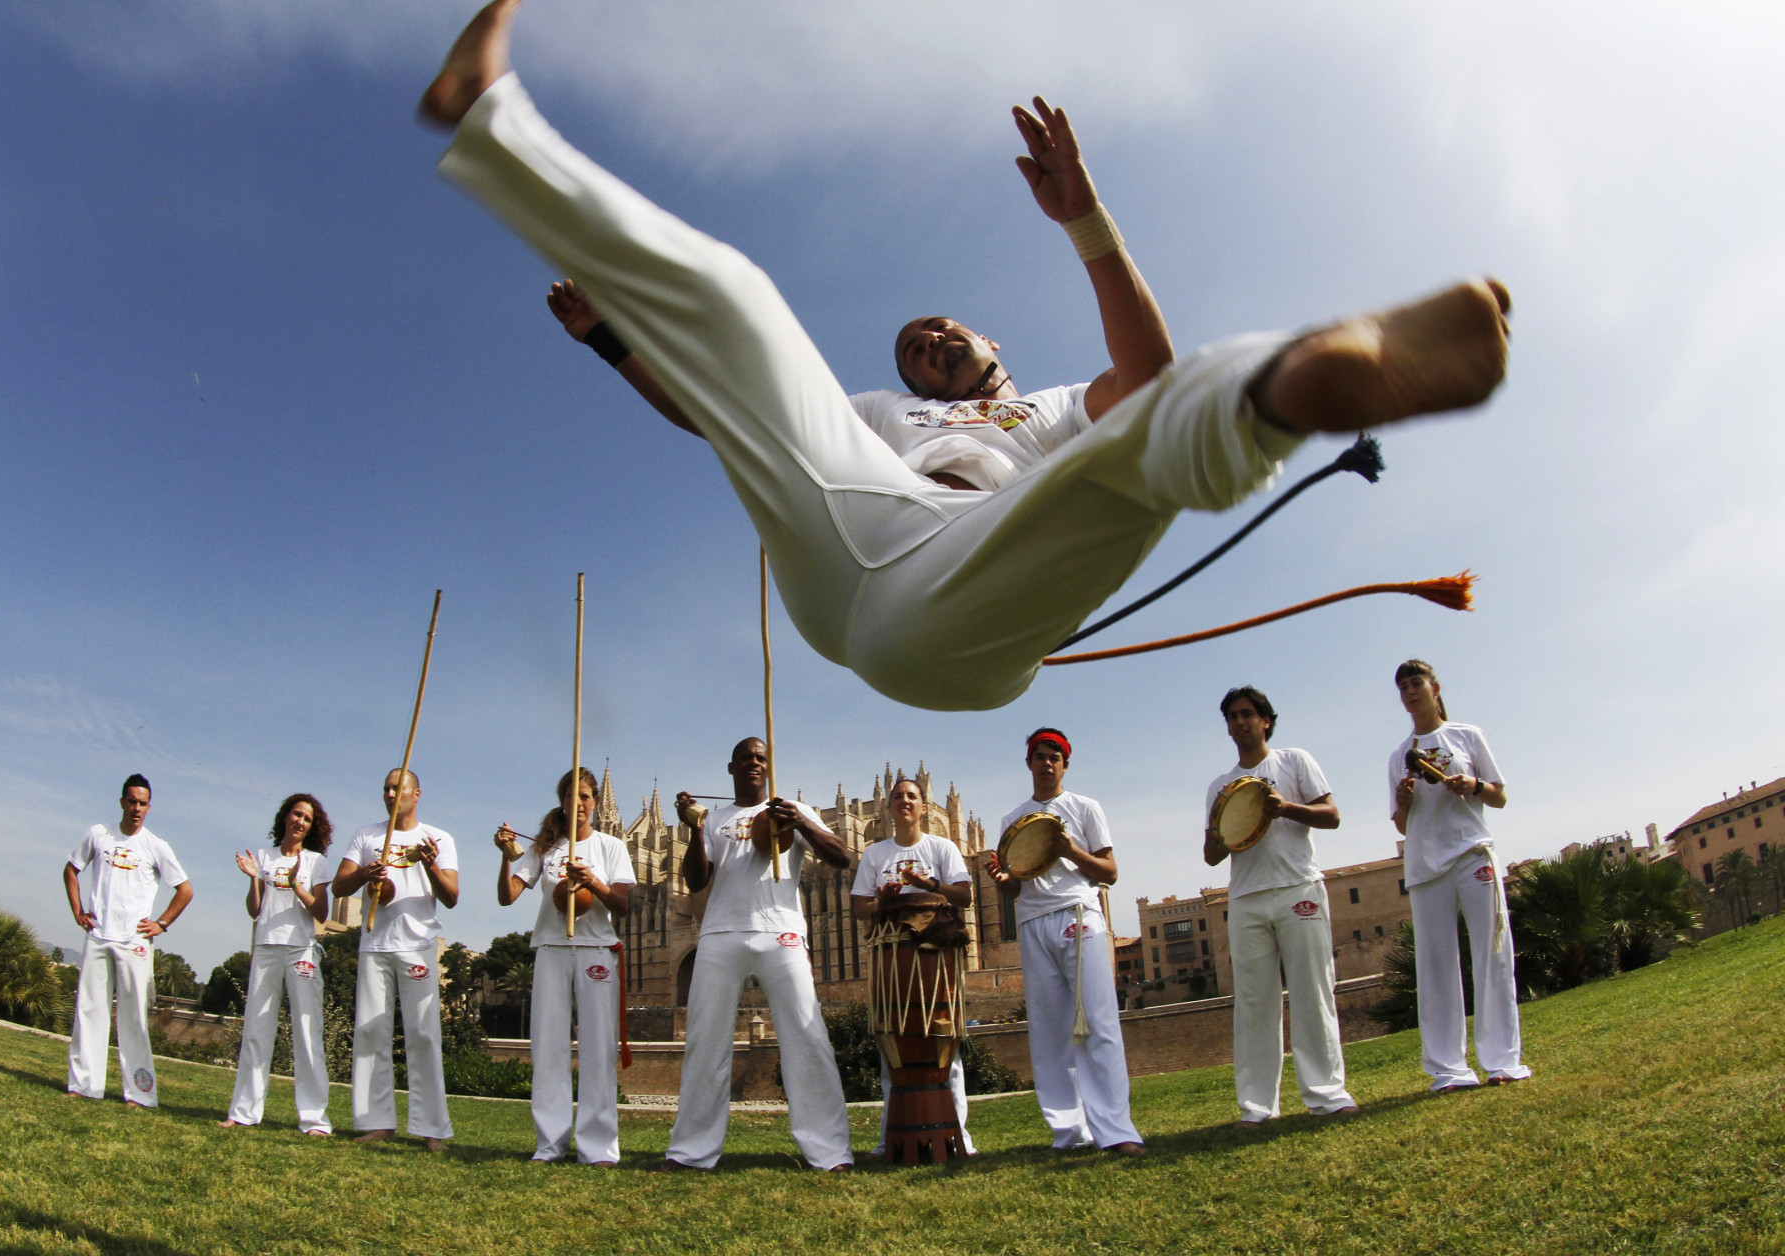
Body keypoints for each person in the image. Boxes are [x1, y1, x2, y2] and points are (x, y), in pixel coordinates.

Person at [419, 0, 1512, 712]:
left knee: (1141, 440)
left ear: (992, 343)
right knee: (743, 302)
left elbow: (1143, 373)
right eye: (912, 347)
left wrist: (1089, 226)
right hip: (856, 526)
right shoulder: (877, 413)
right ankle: (488, 117)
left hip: (964, 604)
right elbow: (716, 412)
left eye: (944, 333)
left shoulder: (1045, 409)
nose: (926, 344)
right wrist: (611, 340)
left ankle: (1284, 390)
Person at [662, 738, 854, 1171]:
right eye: (746, 757)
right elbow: (694, 881)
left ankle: (829, 1152)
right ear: (731, 768)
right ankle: (691, 1152)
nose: (754, 762)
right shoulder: (715, 819)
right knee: (705, 1045)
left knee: (808, 1037)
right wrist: (693, 828)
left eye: (761, 758)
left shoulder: (791, 811)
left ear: (769, 768)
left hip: (781, 933)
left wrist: (800, 823)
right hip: (718, 934)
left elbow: (842, 858)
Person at [1201, 687, 1356, 1128]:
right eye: (1232, 717)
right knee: (1253, 1002)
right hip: (1246, 898)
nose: (1239, 723)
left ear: (1267, 720)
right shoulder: (1220, 786)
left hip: (1298, 887)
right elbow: (1212, 855)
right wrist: (1216, 830)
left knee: (1312, 991)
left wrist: (1284, 807)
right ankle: (1257, 1106)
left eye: (1248, 714)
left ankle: (1327, 1094)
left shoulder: (1294, 761)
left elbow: (1332, 815)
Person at [985, 731, 1142, 1153]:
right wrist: (1004, 882)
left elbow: (1108, 872)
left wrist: (1071, 850)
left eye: (1054, 757)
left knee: (1098, 1022)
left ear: (1065, 765)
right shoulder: (1011, 820)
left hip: (1079, 915)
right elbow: (1017, 887)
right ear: (1029, 763)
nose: (1046, 763)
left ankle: (1117, 1130)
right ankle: (1068, 1132)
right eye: (1039, 756)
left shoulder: (1086, 808)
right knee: (1049, 1031)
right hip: (1033, 922)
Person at [1389, 659, 1530, 1091]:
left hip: (1472, 853)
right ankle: (1448, 1070)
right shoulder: (1399, 755)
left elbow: (1500, 796)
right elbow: (1400, 824)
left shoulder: (1467, 736)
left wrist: (1471, 785)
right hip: (1426, 867)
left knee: (1492, 954)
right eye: (1404, 687)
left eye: (1417, 683)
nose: (1411, 692)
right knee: (1435, 966)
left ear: (1434, 687)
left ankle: (1502, 1061)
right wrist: (1404, 798)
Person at [496, 769, 636, 1166]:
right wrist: (504, 857)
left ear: (595, 803)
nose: (578, 803)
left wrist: (593, 881)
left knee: (598, 1048)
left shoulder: (611, 846)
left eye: (586, 797)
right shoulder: (544, 848)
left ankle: (598, 1147)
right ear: (562, 801)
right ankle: (549, 1144)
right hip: (551, 949)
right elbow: (508, 896)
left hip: (596, 950)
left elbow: (623, 906)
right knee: (548, 1047)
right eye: (571, 796)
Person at [331, 769, 461, 1150]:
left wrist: (428, 864)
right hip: (374, 943)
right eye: (386, 788)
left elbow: (452, 896)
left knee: (423, 1034)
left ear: (416, 793)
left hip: (417, 942)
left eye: (397, 788)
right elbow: (339, 885)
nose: (390, 794)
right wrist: (363, 876)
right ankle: (378, 1122)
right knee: (371, 1032)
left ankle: (432, 1127)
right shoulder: (366, 835)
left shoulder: (439, 838)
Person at [850, 775, 976, 1155]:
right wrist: (883, 901)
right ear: (887, 808)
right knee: (893, 1053)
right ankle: (891, 1135)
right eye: (898, 797)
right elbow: (860, 908)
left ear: (925, 806)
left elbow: (965, 896)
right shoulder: (874, 854)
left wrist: (930, 885)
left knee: (945, 1050)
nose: (905, 802)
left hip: (935, 952)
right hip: (892, 956)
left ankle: (959, 1135)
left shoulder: (943, 847)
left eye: (912, 796)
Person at [62, 773, 193, 1108]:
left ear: (149, 807)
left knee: (133, 1018)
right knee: (90, 1010)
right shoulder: (99, 835)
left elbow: (185, 890)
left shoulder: (156, 846)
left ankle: (139, 1092)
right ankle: (84, 1085)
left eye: (143, 803)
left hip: (134, 942)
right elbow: (71, 869)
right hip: (99, 936)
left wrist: (161, 924)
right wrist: (78, 910)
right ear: (122, 801)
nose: (137, 808)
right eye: (132, 801)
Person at [220, 793, 336, 1135]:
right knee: (256, 1031)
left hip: (301, 950)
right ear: (285, 817)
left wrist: (297, 885)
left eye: (307, 819)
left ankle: (315, 1119)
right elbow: (255, 910)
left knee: (307, 1033)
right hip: (267, 948)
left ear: (312, 827)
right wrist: (255, 878)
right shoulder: (264, 857)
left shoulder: (316, 862)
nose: (300, 822)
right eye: (296, 814)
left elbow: (322, 914)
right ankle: (243, 1111)